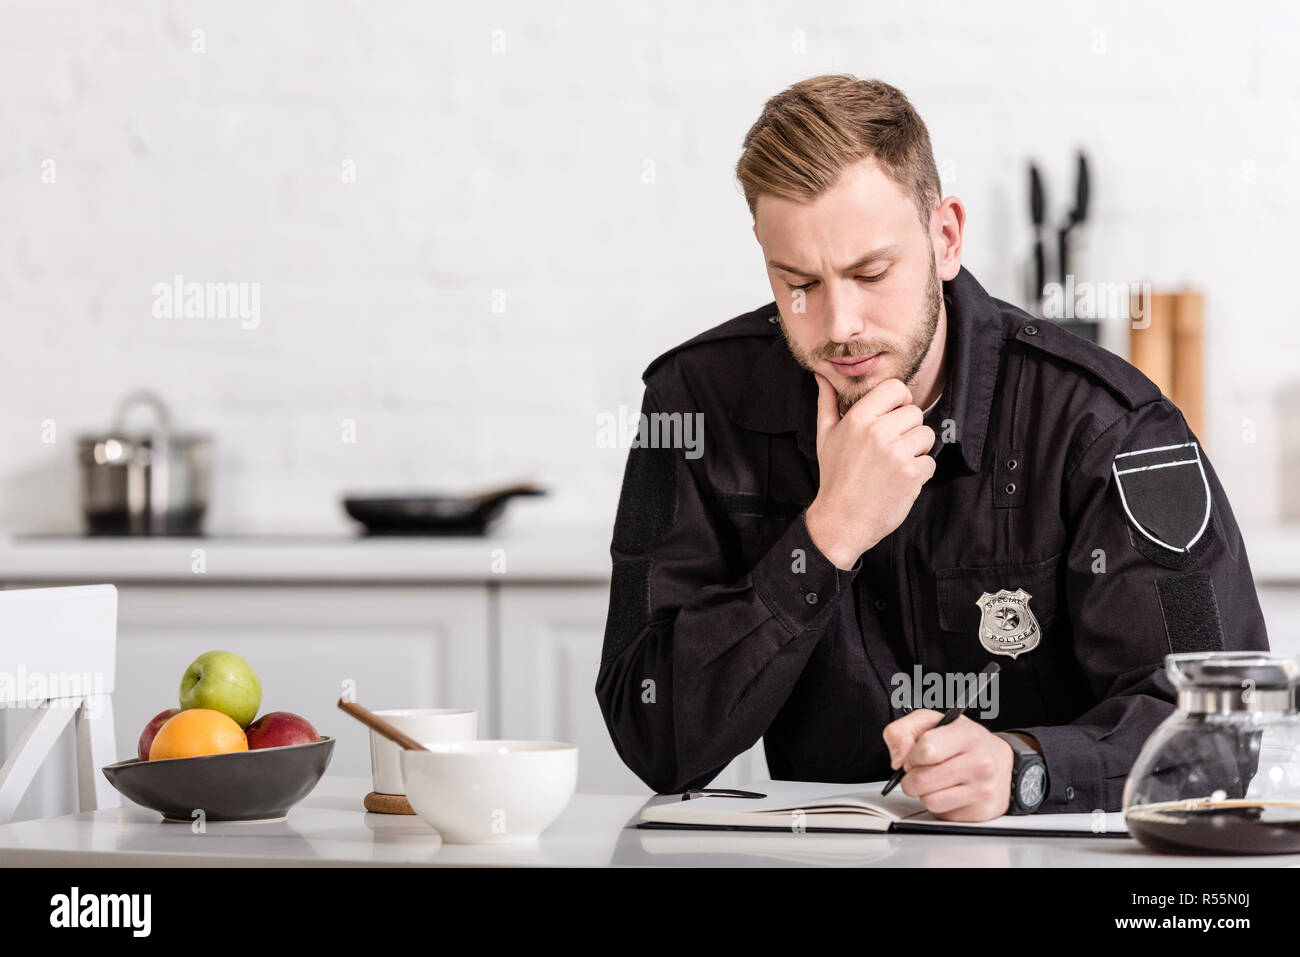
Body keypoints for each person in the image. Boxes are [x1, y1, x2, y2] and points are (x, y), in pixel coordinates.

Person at [594, 75, 1269, 821]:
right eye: (799, 283)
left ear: (945, 237)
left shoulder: (1109, 426)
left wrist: (1026, 767)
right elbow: (652, 737)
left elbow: (1220, 734)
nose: (838, 323)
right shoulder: (695, 405)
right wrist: (827, 536)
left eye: (870, 273)